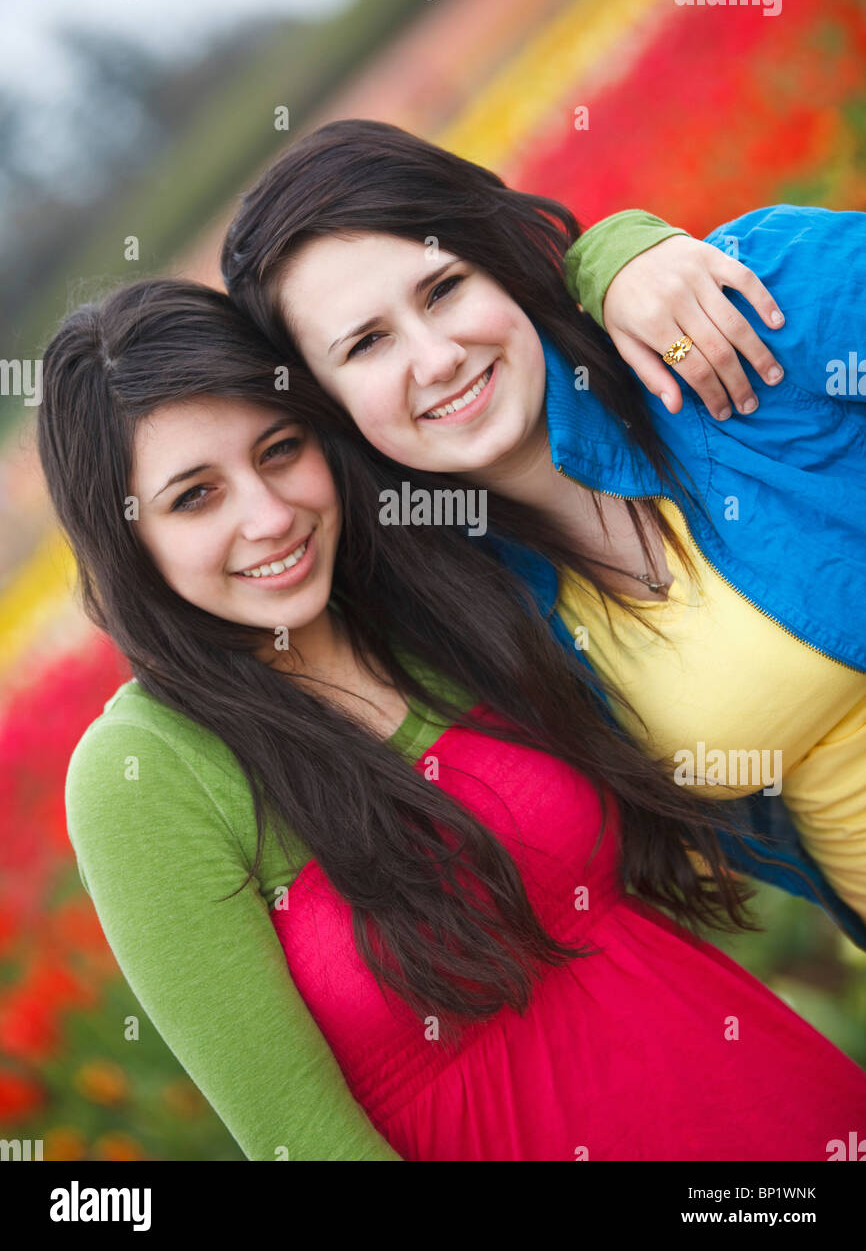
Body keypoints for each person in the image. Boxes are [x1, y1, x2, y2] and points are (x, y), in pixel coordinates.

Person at [41, 279, 866, 1161]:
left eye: (280, 449)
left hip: (799, 1113)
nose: (271, 516)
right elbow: (304, 1142)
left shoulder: (438, 594)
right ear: (125, 540)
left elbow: (536, 341)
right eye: (195, 497)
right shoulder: (146, 771)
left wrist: (623, 256)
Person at [220, 118, 866, 942]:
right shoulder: (458, 611)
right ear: (328, 406)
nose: (437, 358)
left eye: (443, 289)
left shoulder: (727, 310)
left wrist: (611, 251)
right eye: (368, 344)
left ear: (500, 263)